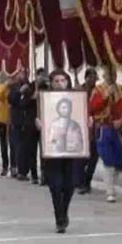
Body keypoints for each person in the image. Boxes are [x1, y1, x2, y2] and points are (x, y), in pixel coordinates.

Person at [37, 70, 86, 233]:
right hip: (53, 152)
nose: (60, 84)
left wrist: (88, 123)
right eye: (56, 81)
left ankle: (63, 211)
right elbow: (36, 120)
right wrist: (38, 124)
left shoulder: (77, 100)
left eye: (62, 80)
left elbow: (82, 126)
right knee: (56, 185)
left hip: (72, 153)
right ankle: (60, 218)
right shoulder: (44, 100)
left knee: (70, 184)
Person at [89, 64, 122, 203]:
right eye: (108, 74)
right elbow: (92, 108)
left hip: (118, 129)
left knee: (120, 160)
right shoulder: (98, 90)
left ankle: (111, 182)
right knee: (107, 158)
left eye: (113, 74)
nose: (111, 77)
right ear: (103, 76)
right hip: (103, 127)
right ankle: (110, 190)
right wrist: (106, 96)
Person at [9, 69, 38, 184]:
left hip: (29, 122)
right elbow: (13, 101)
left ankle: (29, 172)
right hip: (18, 121)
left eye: (26, 72)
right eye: (22, 73)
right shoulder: (14, 87)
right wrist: (21, 92)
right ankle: (21, 171)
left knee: (29, 149)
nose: (24, 74)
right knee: (20, 148)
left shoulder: (31, 86)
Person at [78, 68, 98, 194]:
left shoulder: (99, 91)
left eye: (95, 78)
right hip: (82, 127)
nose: (94, 80)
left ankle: (87, 181)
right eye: (92, 78)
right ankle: (81, 182)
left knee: (94, 157)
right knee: (81, 158)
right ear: (87, 78)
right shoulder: (80, 90)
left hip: (96, 128)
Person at [0, 75, 12, 176]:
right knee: (3, 144)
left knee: (13, 145)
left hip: (12, 119)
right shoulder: (0, 87)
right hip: (2, 119)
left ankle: (14, 165)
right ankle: (5, 166)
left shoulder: (15, 87)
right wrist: (5, 86)